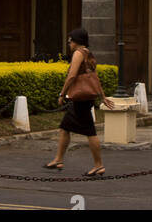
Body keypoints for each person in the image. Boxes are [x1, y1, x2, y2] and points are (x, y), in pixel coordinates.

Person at [45, 28, 116, 176]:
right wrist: (102, 96)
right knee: (65, 127)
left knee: (90, 132)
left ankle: (98, 165)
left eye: (70, 41)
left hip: (80, 99)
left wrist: (62, 94)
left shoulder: (78, 54)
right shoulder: (88, 53)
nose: (68, 44)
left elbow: (71, 76)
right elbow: (94, 77)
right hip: (85, 98)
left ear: (76, 41)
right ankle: (58, 159)